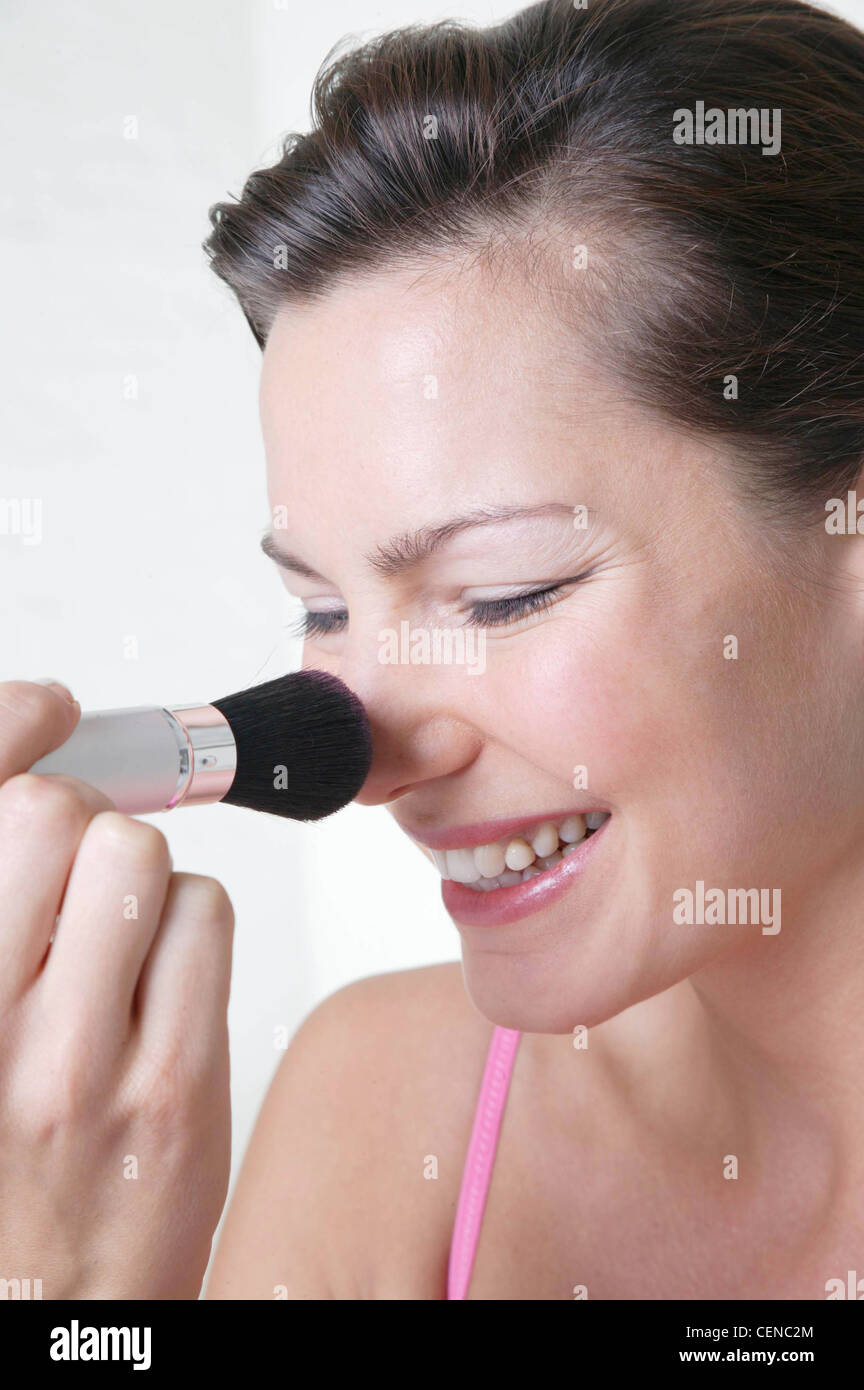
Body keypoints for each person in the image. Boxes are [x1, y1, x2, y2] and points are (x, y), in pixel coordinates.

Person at [4, 0, 864, 1300]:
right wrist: (74, 1300)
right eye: (327, 607)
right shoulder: (382, 1107)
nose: (373, 757)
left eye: (500, 592)